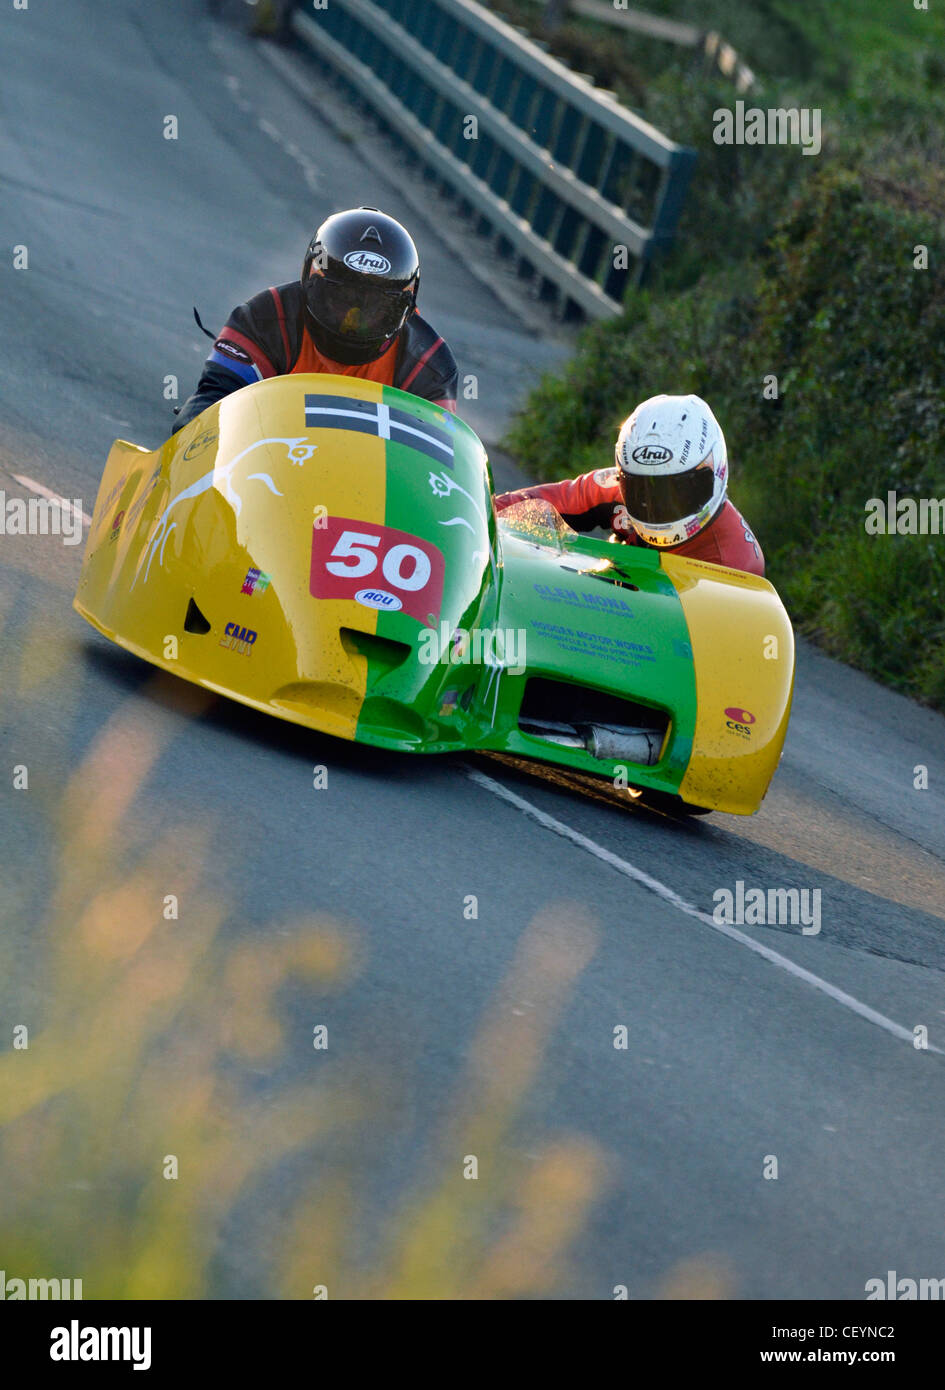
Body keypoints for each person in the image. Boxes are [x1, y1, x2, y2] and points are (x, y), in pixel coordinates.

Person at [173, 207, 458, 433]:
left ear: (406, 307)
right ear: (310, 284)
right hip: (263, 472)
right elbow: (209, 406)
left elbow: (439, 464)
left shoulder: (428, 365)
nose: (353, 319)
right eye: (342, 297)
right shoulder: (265, 319)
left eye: (373, 307)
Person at [494, 393, 764, 574]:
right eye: (642, 490)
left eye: (677, 491)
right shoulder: (614, 487)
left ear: (714, 473)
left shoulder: (735, 563)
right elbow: (503, 507)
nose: (656, 505)